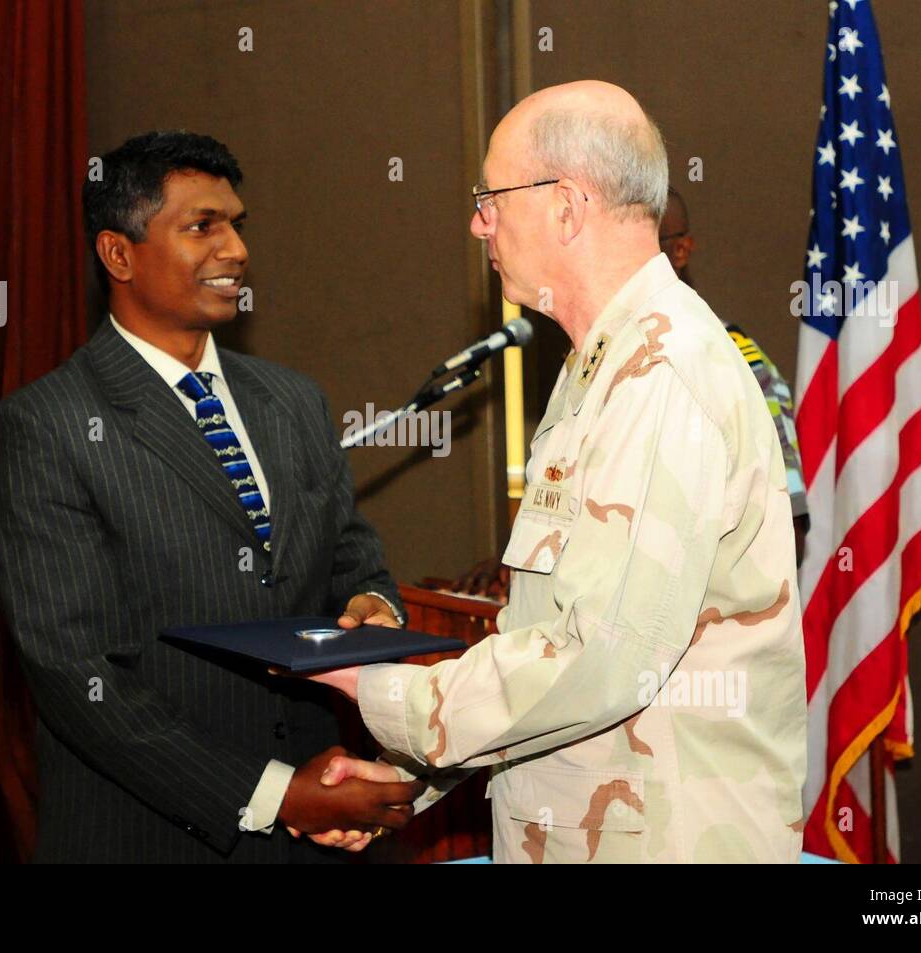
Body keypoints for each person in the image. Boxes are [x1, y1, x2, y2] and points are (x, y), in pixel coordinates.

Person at [311, 81, 807, 863]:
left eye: (489, 197)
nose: (478, 222)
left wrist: (383, 691)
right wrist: (409, 776)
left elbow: (601, 657)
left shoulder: (661, 371)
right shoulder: (598, 365)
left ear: (567, 207)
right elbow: (541, 634)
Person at [0, 131, 422, 863]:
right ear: (118, 254)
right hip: (149, 834)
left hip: (323, 827)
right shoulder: (47, 425)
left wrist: (375, 603)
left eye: (237, 225)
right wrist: (274, 793)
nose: (236, 250)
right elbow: (75, 671)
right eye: (202, 227)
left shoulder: (292, 400)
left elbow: (347, 548)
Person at [659, 186, 810, 563]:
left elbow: (786, 521)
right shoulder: (596, 356)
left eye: (644, 241)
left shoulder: (734, 360)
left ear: (680, 249)